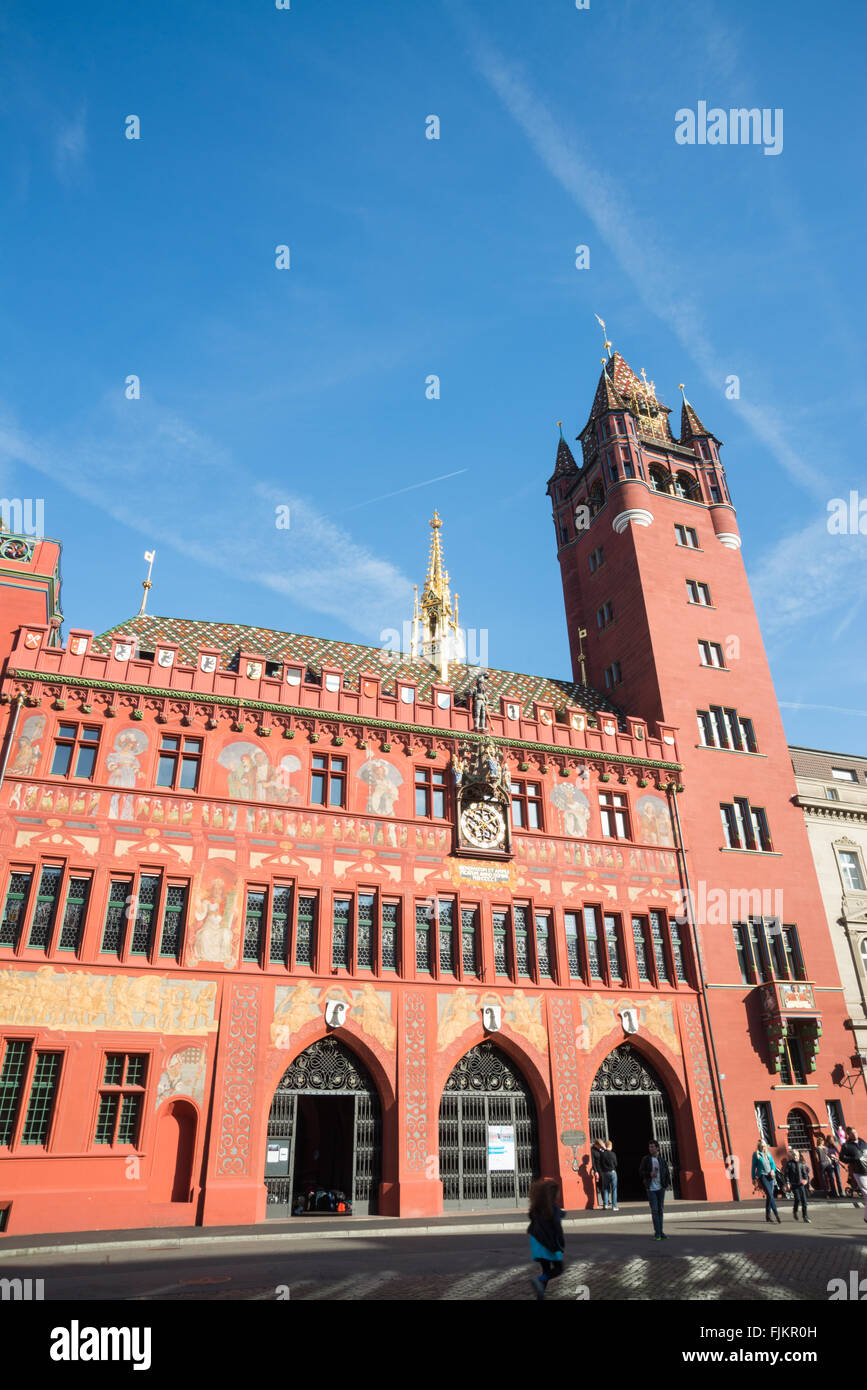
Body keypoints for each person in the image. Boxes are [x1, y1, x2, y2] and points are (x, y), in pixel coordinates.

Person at [527, 1177, 565, 1299]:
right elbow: (557, 1228)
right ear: (554, 1194)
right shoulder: (553, 1208)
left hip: (536, 1241)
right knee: (558, 1269)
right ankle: (538, 1280)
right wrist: (561, 1244)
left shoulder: (537, 1207)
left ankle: (540, 1296)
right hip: (547, 1243)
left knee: (547, 1271)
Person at [639, 1139, 671, 1240]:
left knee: (660, 1210)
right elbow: (641, 1172)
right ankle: (657, 1233)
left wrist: (665, 1185)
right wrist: (649, 1174)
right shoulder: (646, 1159)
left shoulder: (662, 1160)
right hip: (651, 1189)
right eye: (650, 1147)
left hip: (661, 1188)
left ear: (657, 1148)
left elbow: (666, 1173)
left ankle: (661, 1232)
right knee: (655, 1210)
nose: (651, 1149)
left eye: (653, 1147)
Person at [751, 1139, 782, 1223]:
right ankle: (776, 1214)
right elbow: (753, 1167)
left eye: (764, 1146)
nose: (763, 1148)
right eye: (762, 1146)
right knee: (770, 1195)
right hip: (762, 1176)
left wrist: (773, 1170)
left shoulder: (768, 1153)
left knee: (769, 1196)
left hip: (770, 1176)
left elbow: (772, 1164)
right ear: (759, 1146)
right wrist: (753, 1178)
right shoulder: (756, 1154)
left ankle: (768, 1215)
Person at [840, 1126, 867, 1219]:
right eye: (852, 1133)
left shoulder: (862, 1142)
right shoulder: (846, 1146)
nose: (855, 1134)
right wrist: (853, 1159)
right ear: (849, 1135)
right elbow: (842, 1158)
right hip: (859, 1172)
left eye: (855, 1132)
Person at [785, 1149, 811, 1222]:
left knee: (804, 1200)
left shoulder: (801, 1164)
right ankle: (795, 1211)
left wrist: (806, 1180)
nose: (795, 1157)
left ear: (799, 1156)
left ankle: (805, 1216)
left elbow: (805, 1174)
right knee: (798, 1199)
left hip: (801, 1184)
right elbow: (786, 1175)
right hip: (794, 1184)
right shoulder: (789, 1164)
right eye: (793, 1155)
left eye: (796, 1155)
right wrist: (788, 1183)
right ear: (792, 1156)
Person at [599, 1140, 619, 1211]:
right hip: (612, 1172)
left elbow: (600, 1163)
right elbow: (616, 1164)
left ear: (605, 1146)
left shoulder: (602, 1154)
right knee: (614, 1189)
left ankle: (606, 1204)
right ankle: (614, 1206)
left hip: (605, 1173)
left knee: (605, 1189)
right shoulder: (613, 1154)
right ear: (611, 1146)